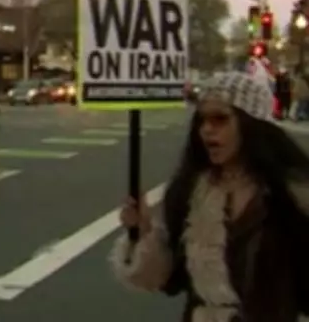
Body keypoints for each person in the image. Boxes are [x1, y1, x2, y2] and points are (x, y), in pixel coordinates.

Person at [110, 71, 309, 321]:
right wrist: (143, 232)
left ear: (252, 124)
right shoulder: (191, 191)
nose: (207, 130)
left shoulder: (292, 194)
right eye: (202, 120)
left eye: (220, 119)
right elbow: (169, 279)